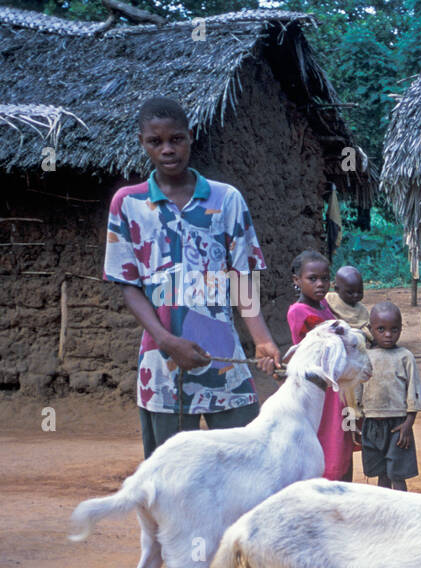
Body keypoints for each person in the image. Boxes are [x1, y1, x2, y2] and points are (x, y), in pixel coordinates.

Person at [104, 97, 280, 460]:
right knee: (169, 479)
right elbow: (129, 285)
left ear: (191, 137)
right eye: (156, 141)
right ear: (142, 142)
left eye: (177, 139)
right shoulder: (128, 204)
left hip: (224, 358)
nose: (167, 149)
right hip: (161, 366)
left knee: (245, 465)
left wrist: (262, 340)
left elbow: (242, 278)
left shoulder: (226, 198)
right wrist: (167, 341)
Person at [287, 250, 356, 481]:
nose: (320, 284)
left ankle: (343, 487)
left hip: (335, 385)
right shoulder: (300, 312)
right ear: (297, 280)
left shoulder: (323, 305)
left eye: (325, 278)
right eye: (312, 278)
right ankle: (329, 486)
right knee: (330, 436)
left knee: (343, 435)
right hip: (321, 387)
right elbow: (333, 342)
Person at [357, 302, 421, 491]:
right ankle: (384, 510)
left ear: (401, 329)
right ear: (371, 329)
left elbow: (414, 390)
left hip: (398, 425)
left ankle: (403, 511)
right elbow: (356, 390)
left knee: (398, 473)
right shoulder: (365, 357)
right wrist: (355, 419)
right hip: (372, 423)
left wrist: (408, 424)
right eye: (381, 329)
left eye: (394, 329)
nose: (388, 334)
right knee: (381, 473)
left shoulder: (405, 356)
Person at [326, 265, 370, 339]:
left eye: (359, 292)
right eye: (350, 292)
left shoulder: (362, 310)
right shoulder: (329, 299)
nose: (356, 295)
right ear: (337, 289)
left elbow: (365, 325)